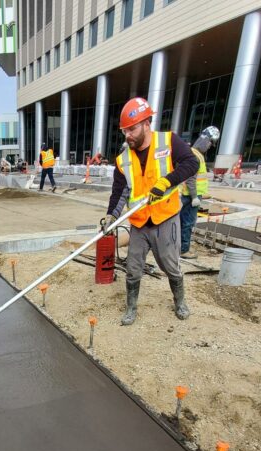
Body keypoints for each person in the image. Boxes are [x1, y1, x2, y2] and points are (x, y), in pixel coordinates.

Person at [102, 97, 199, 326]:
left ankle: (180, 301)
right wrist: (111, 216)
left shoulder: (168, 142)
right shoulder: (123, 159)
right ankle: (131, 307)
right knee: (133, 268)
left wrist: (166, 182)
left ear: (147, 123)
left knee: (169, 265)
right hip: (139, 223)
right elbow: (119, 192)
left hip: (165, 218)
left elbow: (191, 164)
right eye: (125, 130)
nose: (128, 135)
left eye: (132, 129)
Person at [179, 126, 220, 257]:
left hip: (185, 194)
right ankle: (184, 250)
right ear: (207, 141)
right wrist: (195, 196)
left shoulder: (191, 153)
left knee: (180, 222)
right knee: (188, 223)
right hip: (190, 197)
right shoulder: (196, 156)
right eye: (210, 144)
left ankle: (177, 247)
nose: (210, 147)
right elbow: (191, 179)